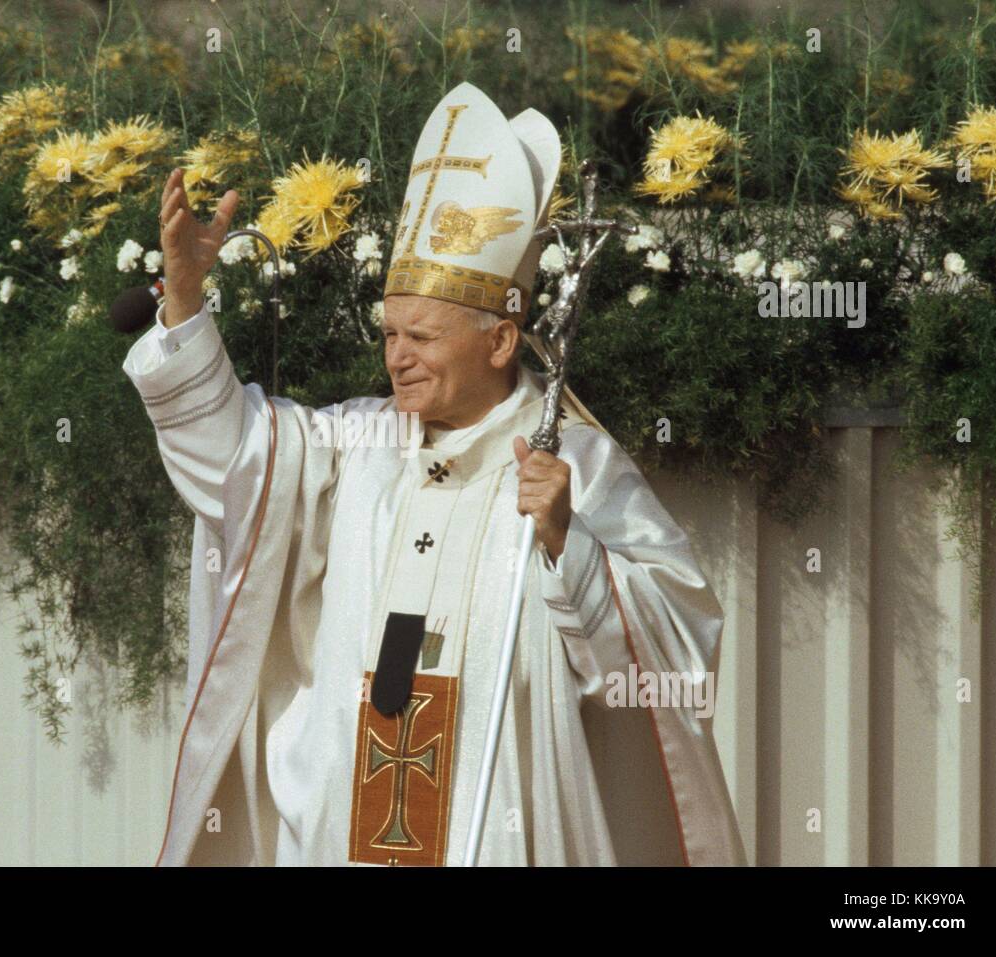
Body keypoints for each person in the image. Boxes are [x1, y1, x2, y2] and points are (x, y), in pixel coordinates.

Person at [124, 82, 748, 866]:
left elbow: (678, 656)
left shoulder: (571, 465)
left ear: (499, 341)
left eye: (420, 334)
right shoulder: (354, 444)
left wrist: (568, 542)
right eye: (389, 332)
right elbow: (231, 462)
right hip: (345, 835)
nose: (396, 357)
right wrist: (184, 303)